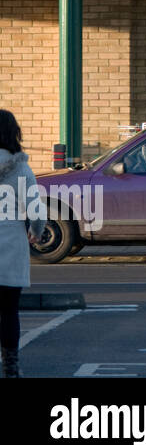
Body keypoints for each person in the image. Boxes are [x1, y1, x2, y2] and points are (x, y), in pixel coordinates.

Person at [0, 110, 45, 378]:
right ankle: (11, 366)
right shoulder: (20, 169)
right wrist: (36, 232)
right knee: (8, 312)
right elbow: (36, 211)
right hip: (10, 247)